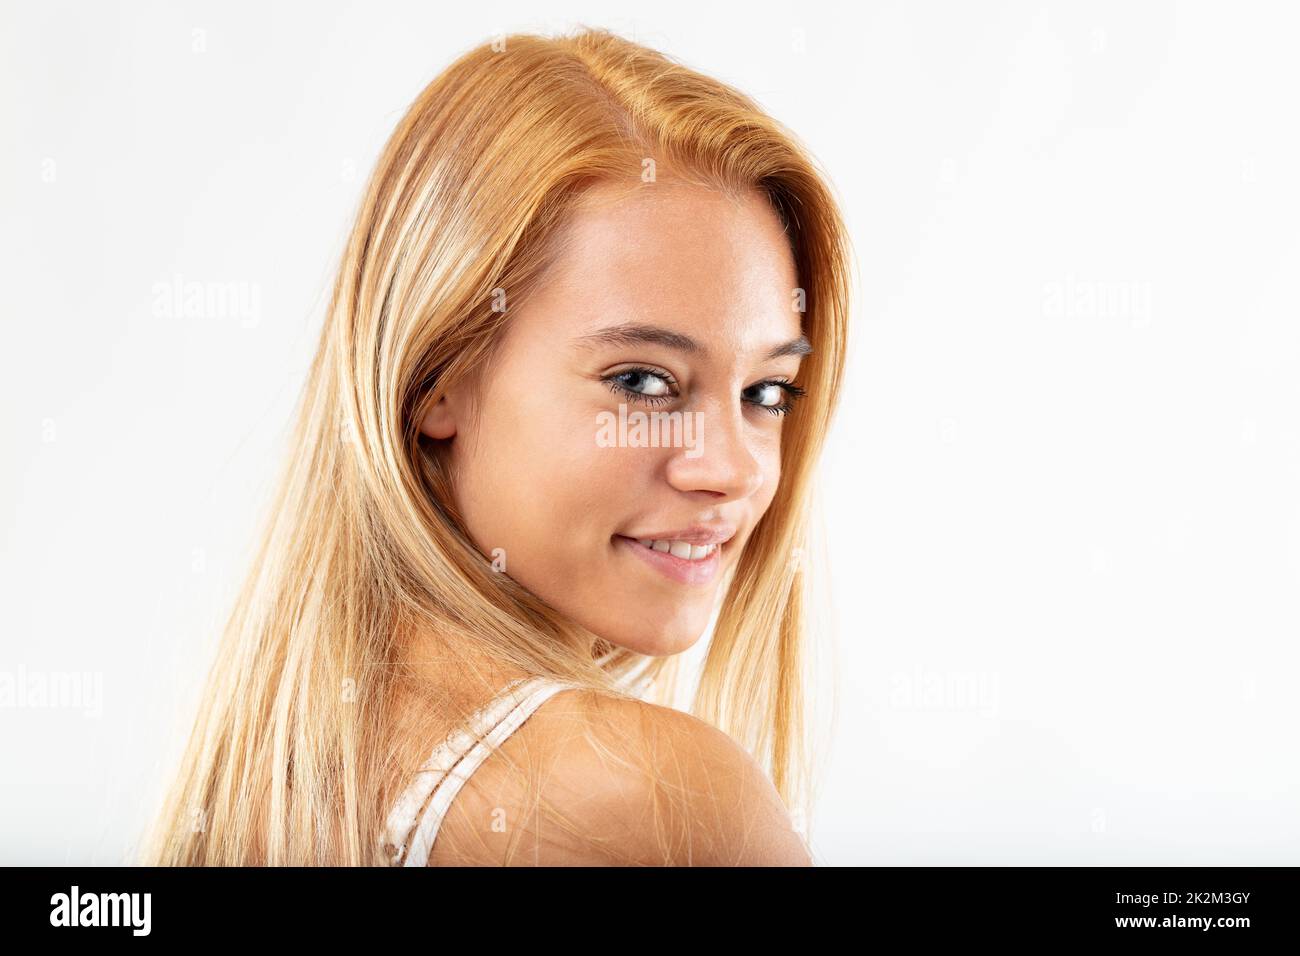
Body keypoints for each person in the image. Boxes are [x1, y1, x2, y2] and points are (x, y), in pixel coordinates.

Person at [142, 27, 851, 866]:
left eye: (765, 394)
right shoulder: (657, 804)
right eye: (642, 383)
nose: (731, 469)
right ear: (438, 376)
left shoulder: (278, 777)